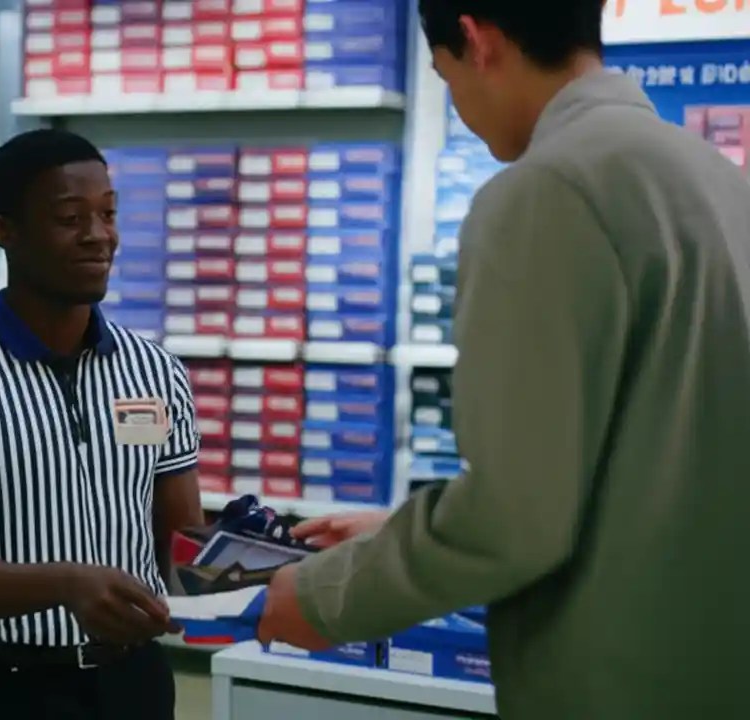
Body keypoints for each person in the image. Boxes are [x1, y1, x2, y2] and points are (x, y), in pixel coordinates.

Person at [258, 1, 750, 717]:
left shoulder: (546, 191)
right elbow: (644, 463)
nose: (458, 107)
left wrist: (324, 595)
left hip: (614, 680)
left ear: (476, 39)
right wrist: (403, 531)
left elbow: (514, 518)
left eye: (445, 75)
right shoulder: (716, 177)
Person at [0, 128, 202, 720]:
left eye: (107, 213)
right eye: (69, 218)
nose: (98, 235)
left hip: (135, 684)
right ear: (4, 230)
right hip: (5, 691)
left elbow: (183, 546)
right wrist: (65, 583)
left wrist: (267, 563)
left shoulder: (156, 370)